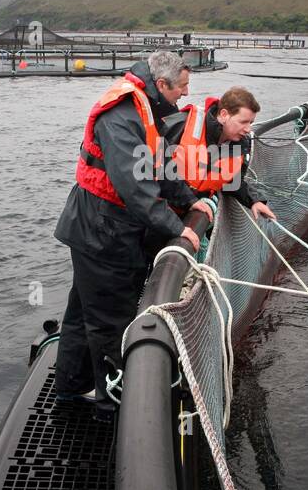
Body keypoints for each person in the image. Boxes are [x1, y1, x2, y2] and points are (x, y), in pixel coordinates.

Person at [52, 51, 214, 411]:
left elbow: (160, 163)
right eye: (182, 87)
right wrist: (178, 229)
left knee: (83, 313)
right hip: (100, 230)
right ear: (162, 84)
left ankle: (70, 388)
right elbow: (136, 185)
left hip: (102, 227)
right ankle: (114, 408)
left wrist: (189, 201)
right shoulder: (120, 114)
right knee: (110, 321)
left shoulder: (146, 107)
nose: (186, 96)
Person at [161, 86, 276, 222]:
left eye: (251, 123)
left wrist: (254, 201)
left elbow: (232, 182)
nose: (248, 129)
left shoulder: (238, 145)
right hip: (159, 210)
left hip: (191, 213)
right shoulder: (181, 124)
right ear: (223, 115)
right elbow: (151, 166)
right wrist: (188, 200)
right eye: (243, 122)